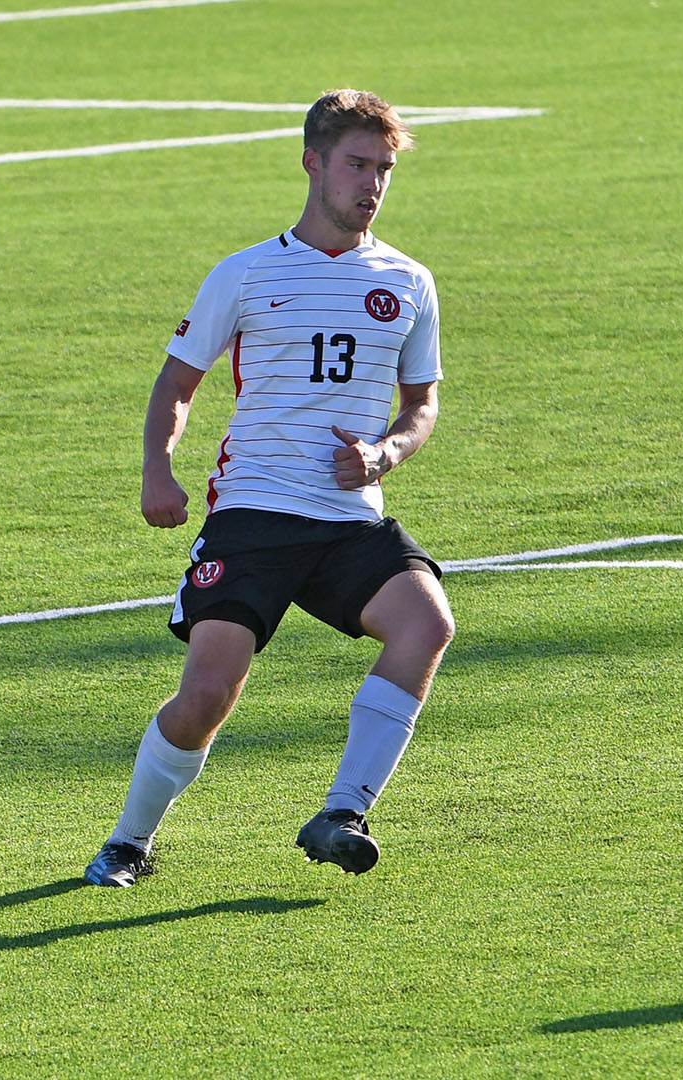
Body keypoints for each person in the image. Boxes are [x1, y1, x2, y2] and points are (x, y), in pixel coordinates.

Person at [83, 90, 455, 885]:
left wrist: (386, 453)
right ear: (314, 163)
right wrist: (159, 468)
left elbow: (420, 404)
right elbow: (177, 384)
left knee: (426, 625)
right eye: (358, 165)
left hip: (349, 520)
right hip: (254, 511)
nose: (372, 184)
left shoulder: (409, 282)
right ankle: (129, 840)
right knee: (208, 695)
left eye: (384, 170)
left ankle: (342, 812)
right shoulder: (246, 274)